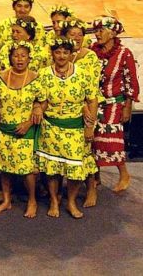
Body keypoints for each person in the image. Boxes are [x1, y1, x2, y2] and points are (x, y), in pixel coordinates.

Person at [35, 38, 99, 218]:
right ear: (52, 54)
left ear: (71, 54)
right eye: (57, 52)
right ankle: (54, 200)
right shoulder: (44, 74)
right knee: (53, 169)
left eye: (65, 52)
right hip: (51, 129)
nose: (61, 56)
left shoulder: (83, 74)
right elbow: (42, 101)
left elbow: (92, 100)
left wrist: (89, 127)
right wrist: (38, 108)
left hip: (75, 128)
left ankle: (71, 202)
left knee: (74, 169)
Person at [0, 42, 43, 217]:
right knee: (5, 167)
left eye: (23, 56)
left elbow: (42, 100)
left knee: (27, 169)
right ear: (10, 57)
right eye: (16, 55)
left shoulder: (35, 78)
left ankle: (32, 200)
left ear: (29, 58)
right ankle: (6, 200)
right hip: (5, 128)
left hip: (24, 130)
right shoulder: (0, 77)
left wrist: (31, 119)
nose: (19, 59)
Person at [90, 16, 139, 195]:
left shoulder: (124, 53)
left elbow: (131, 81)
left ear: (112, 33)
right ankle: (95, 176)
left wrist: (127, 106)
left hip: (114, 104)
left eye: (101, 30)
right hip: (95, 103)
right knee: (92, 140)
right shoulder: (91, 52)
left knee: (111, 140)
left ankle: (124, 174)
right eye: (96, 31)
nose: (97, 34)